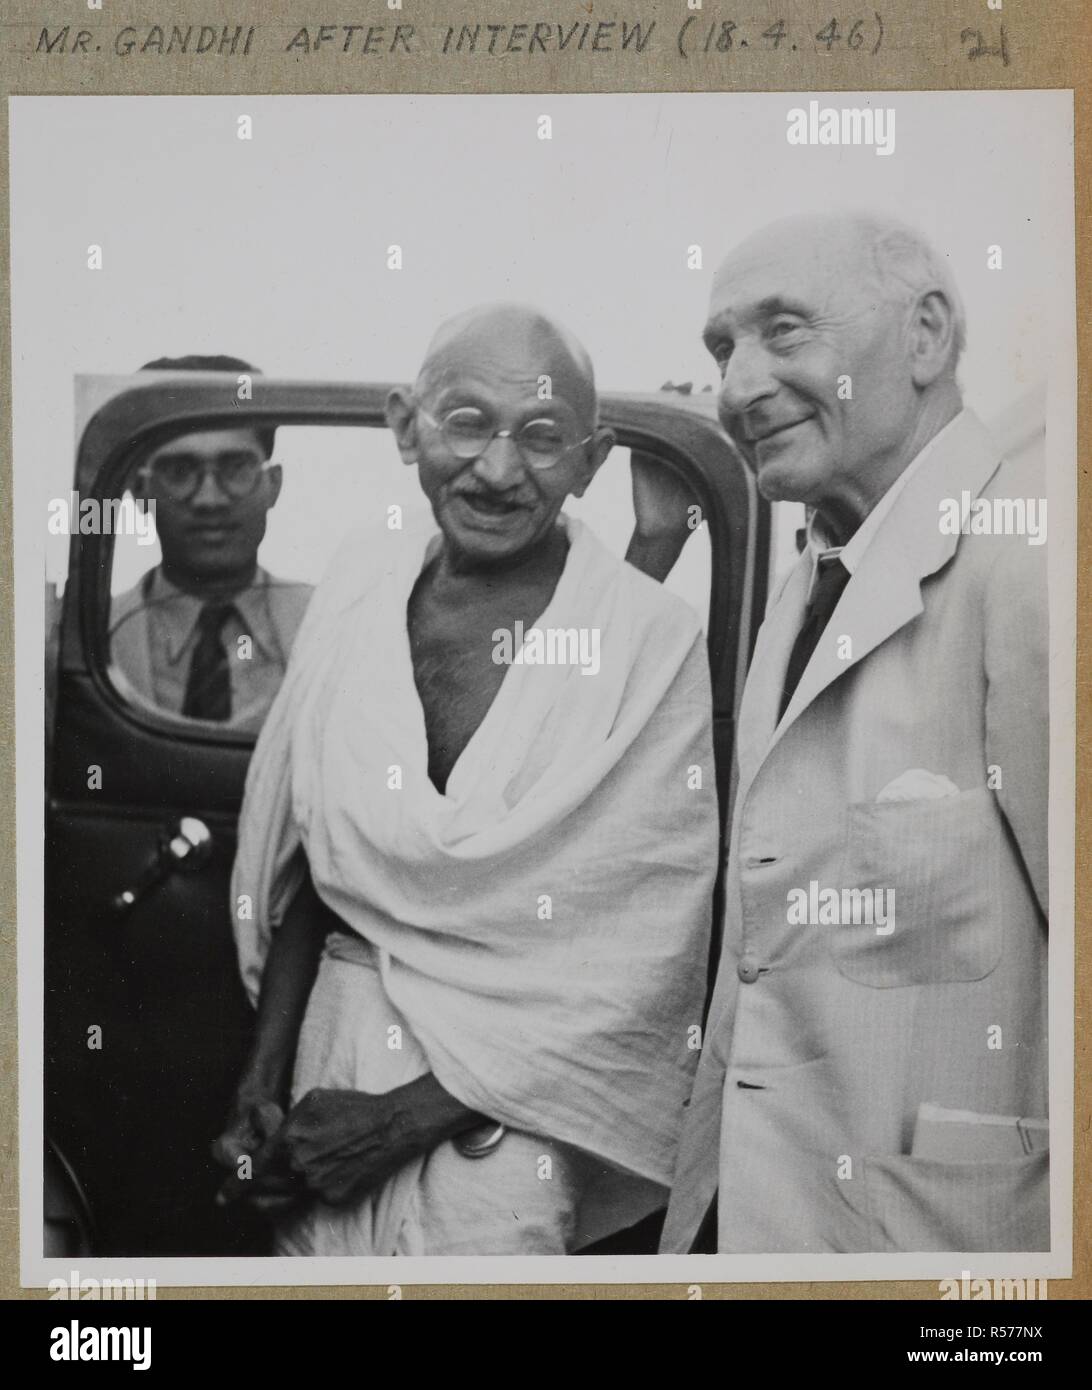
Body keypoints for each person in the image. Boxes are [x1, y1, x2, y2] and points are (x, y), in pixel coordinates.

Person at [214, 305, 719, 1255]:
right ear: (406, 426)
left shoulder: (647, 638)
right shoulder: (359, 587)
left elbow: (637, 958)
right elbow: (321, 861)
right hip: (329, 1068)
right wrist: (261, 1080)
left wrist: (400, 1121)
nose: (496, 469)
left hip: (508, 1118)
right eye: (467, 422)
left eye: (542, 436)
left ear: (592, 461)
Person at [659, 212, 1049, 1254]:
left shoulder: (1032, 562)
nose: (739, 387)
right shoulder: (810, 581)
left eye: (784, 331)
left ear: (925, 336)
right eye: (723, 348)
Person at [109, 355, 312, 734]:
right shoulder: (93, 638)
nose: (210, 499)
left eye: (235, 468)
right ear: (140, 491)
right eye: (179, 472)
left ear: (273, 485)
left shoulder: (327, 624)